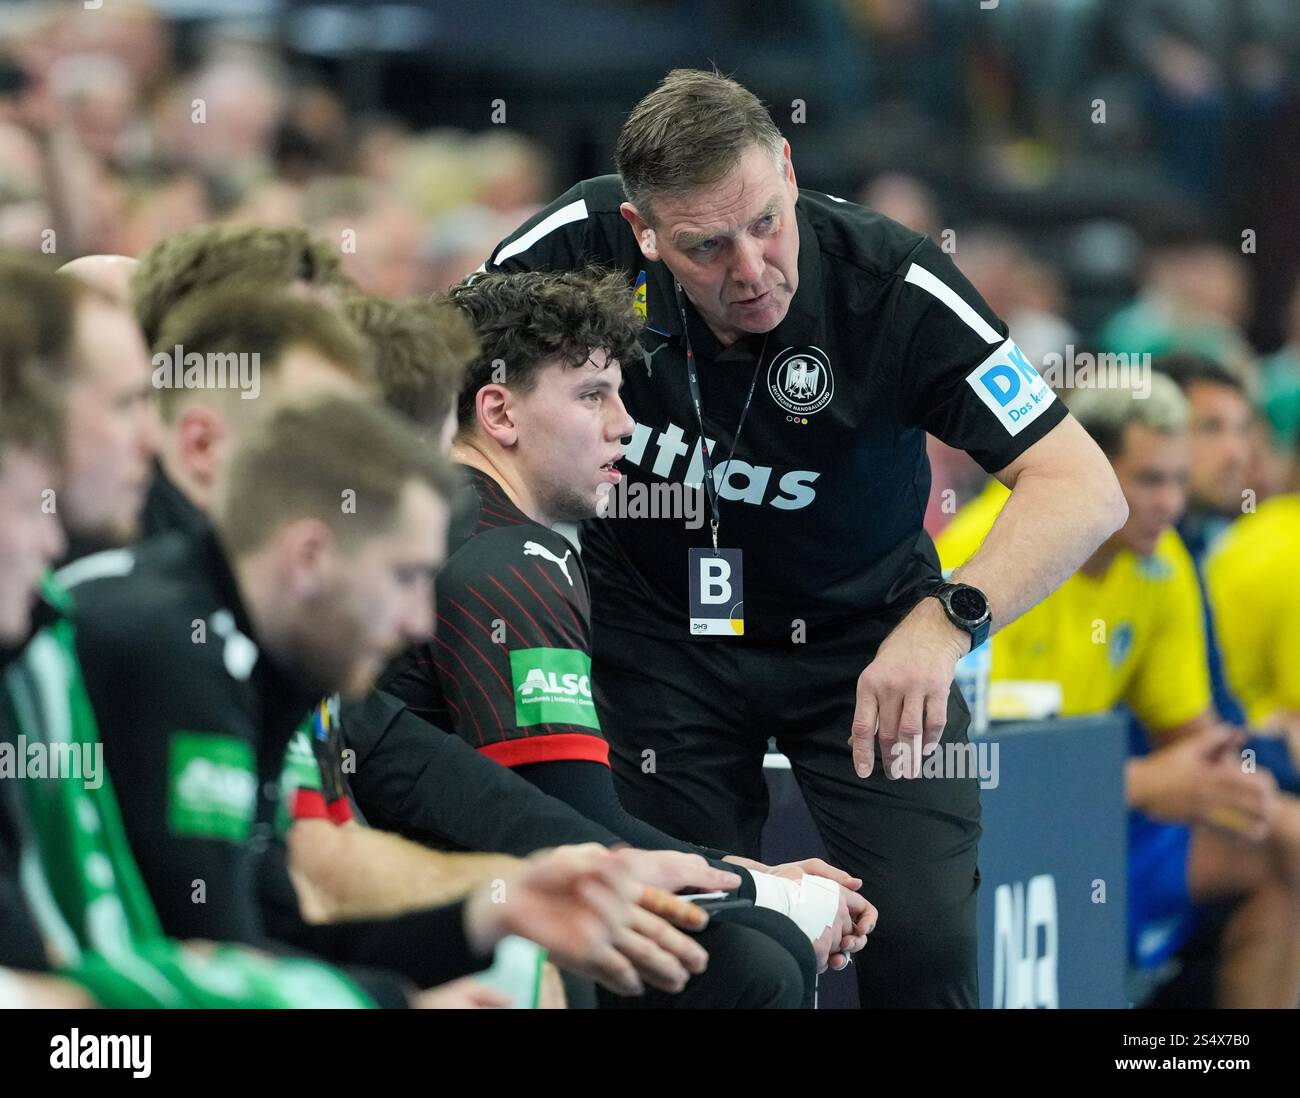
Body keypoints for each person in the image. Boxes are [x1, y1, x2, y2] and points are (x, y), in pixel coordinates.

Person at [482, 68, 1127, 1007]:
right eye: (705, 247)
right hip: (656, 632)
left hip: (870, 638)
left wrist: (948, 623)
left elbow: (1082, 485)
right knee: (681, 943)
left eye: (767, 223)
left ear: (788, 169)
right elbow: (431, 388)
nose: (750, 271)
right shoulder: (577, 242)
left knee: (927, 937)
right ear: (643, 233)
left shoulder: (895, 283)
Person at [937, 376, 1300, 1008]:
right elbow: (963, 774)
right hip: (984, 836)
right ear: (1092, 476)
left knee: (1282, 846)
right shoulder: (988, 556)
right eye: (1150, 480)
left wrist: (1236, 785)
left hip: (1093, 817)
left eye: (1180, 481)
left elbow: (1193, 738)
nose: (1171, 504)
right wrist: (1146, 784)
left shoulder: (1159, 562)